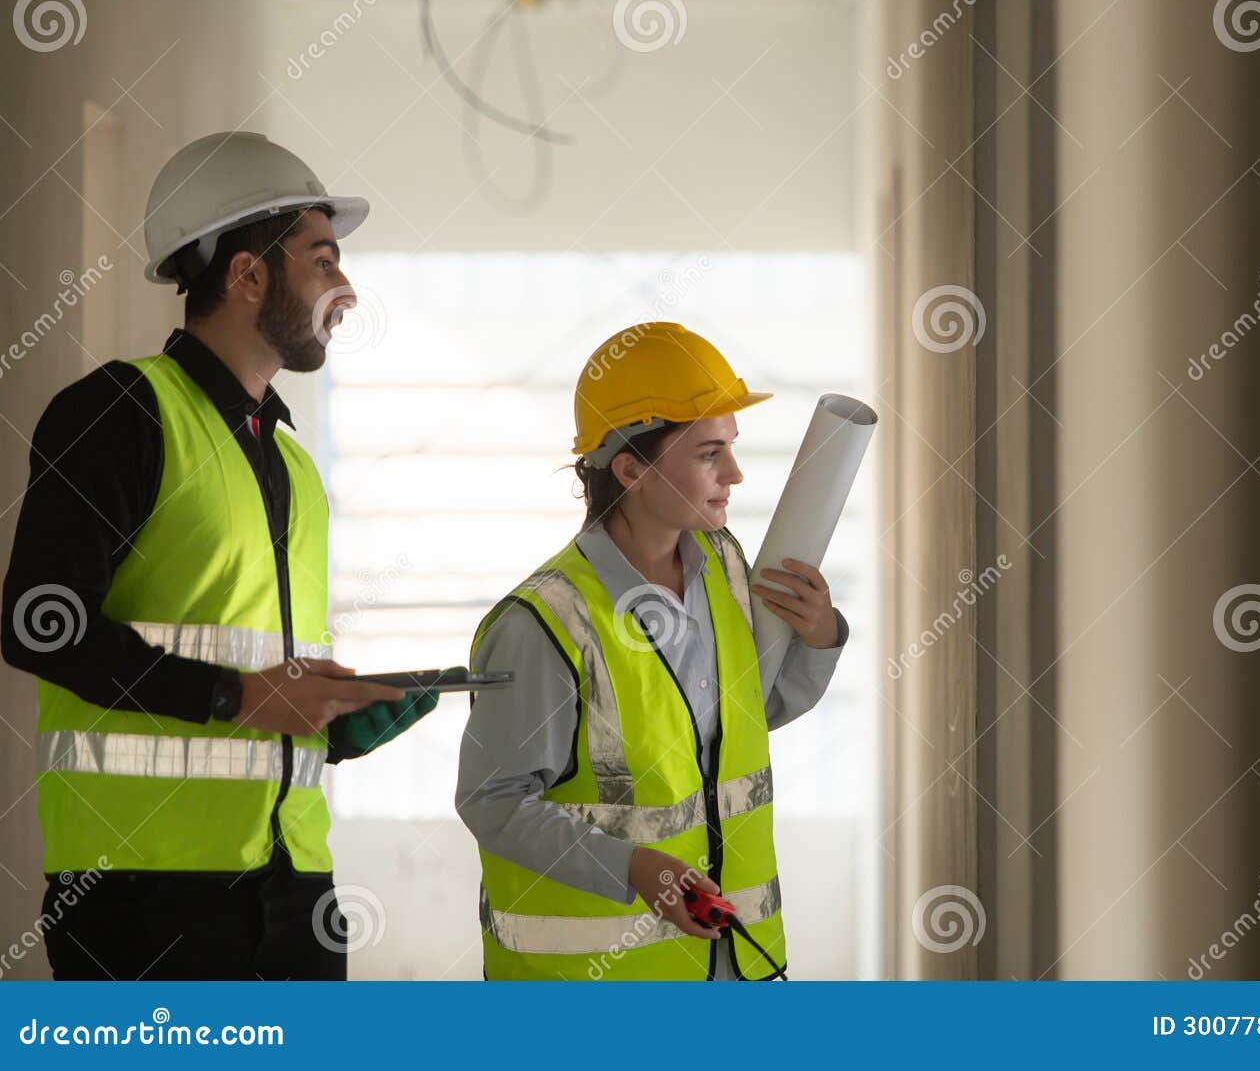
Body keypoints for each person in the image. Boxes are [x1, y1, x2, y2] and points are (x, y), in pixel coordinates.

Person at [1, 132, 436, 980]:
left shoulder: (291, 463)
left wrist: (328, 718)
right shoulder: (118, 414)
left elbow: (247, 676)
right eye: (322, 260)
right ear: (248, 276)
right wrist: (238, 695)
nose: (344, 289)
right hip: (143, 894)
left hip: (295, 887)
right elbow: (37, 625)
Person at [457, 321, 848, 980]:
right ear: (632, 468)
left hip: (737, 967)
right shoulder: (546, 623)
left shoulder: (724, 567)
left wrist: (819, 638)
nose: (735, 474)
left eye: (731, 447)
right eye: (708, 454)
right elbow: (493, 803)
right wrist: (632, 867)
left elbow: (733, 728)